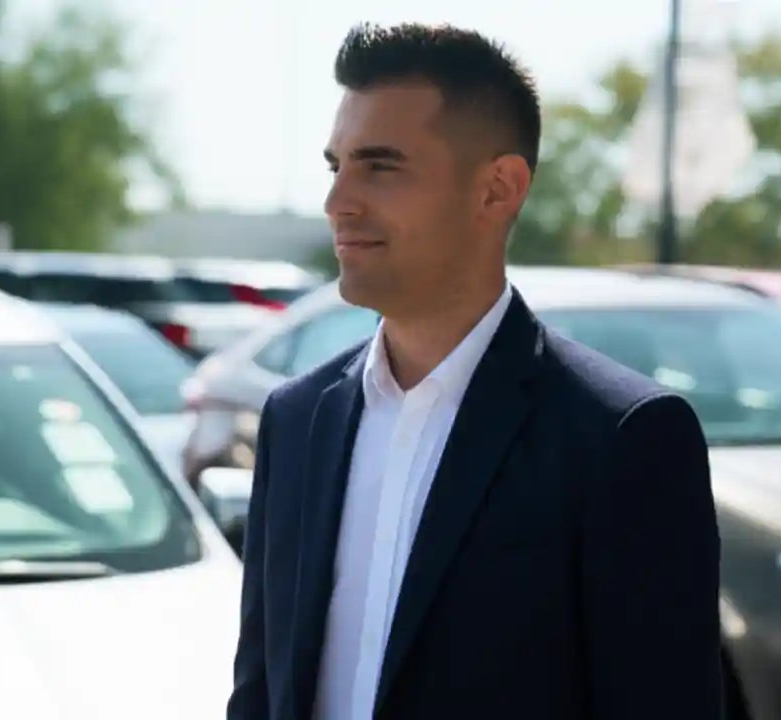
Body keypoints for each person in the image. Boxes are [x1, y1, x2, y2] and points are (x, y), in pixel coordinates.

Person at [226, 23, 721, 720]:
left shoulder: (623, 439)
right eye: (336, 165)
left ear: (498, 189)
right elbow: (259, 692)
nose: (339, 201)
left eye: (380, 165)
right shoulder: (297, 419)